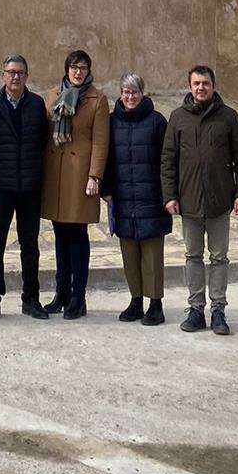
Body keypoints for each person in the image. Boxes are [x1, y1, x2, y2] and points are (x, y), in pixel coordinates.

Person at [161, 63, 238, 336]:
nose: (201, 88)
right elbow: (168, 161)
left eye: (205, 83)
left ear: (213, 86)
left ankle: (218, 310)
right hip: (188, 202)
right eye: (196, 84)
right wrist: (170, 196)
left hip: (219, 201)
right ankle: (195, 309)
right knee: (192, 256)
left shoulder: (228, 117)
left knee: (219, 257)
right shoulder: (178, 118)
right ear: (190, 87)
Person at [0, 54, 50, 321]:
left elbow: (43, 140)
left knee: (30, 245)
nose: (15, 77)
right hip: (0, 185)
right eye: (10, 72)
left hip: (29, 186)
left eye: (20, 72)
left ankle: (31, 298)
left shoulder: (37, 105)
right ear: (3, 75)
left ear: (26, 76)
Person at [41, 48, 109, 319]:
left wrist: (95, 176)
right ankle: (61, 293)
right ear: (66, 69)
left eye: (82, 67)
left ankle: (78, 297)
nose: (78, 72)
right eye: (73, 67)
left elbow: (101, 142)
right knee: (60, 236)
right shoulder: (52, 96)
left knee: (78, 236)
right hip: (56, 174)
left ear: (88, 71)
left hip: (81, 176)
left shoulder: (97, 99)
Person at [102, 72, 171, 326]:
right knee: (129, 253)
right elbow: (106, 158)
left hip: (151, 197)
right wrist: (106, 189)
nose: (130, 97)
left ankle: (155, 303)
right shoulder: (111, 122)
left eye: (135, 92)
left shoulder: (157, 122)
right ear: (120, 94)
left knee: (152, 254)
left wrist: (168, 194)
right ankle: (136, 300)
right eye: (126, 92)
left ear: (143, 94)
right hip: (123, 198)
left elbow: (167, 162)